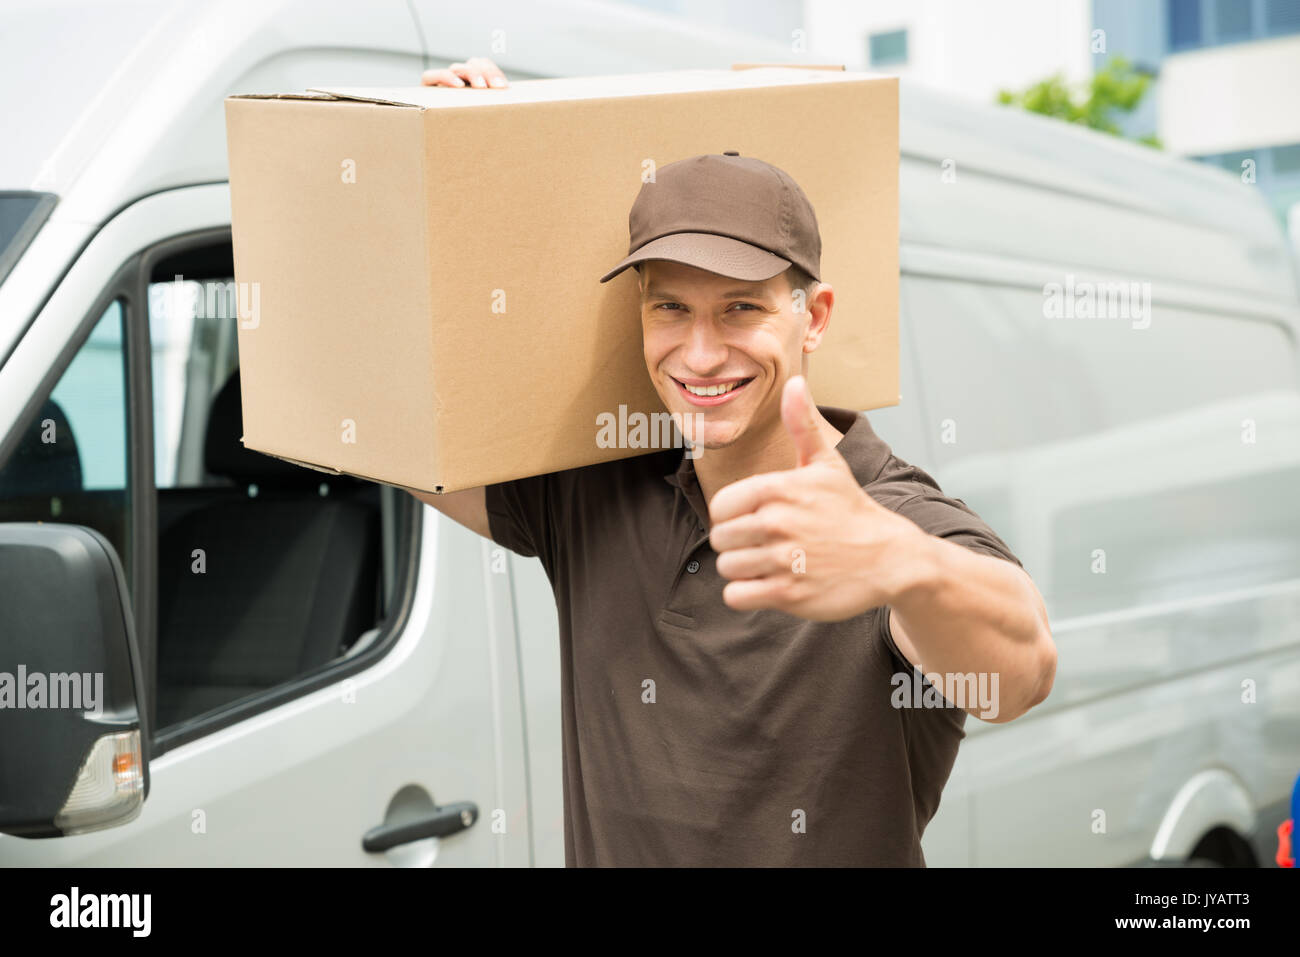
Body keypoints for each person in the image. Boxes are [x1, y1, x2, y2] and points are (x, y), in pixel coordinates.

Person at [414, 58, 1056, 866]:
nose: (701, 352)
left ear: (812, 315)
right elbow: (397, 442)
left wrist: (904, 567)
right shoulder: (596, 493)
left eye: (741, 308)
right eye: (670, 308)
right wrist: (452, 164)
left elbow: (1023, 668)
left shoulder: (881, 518)